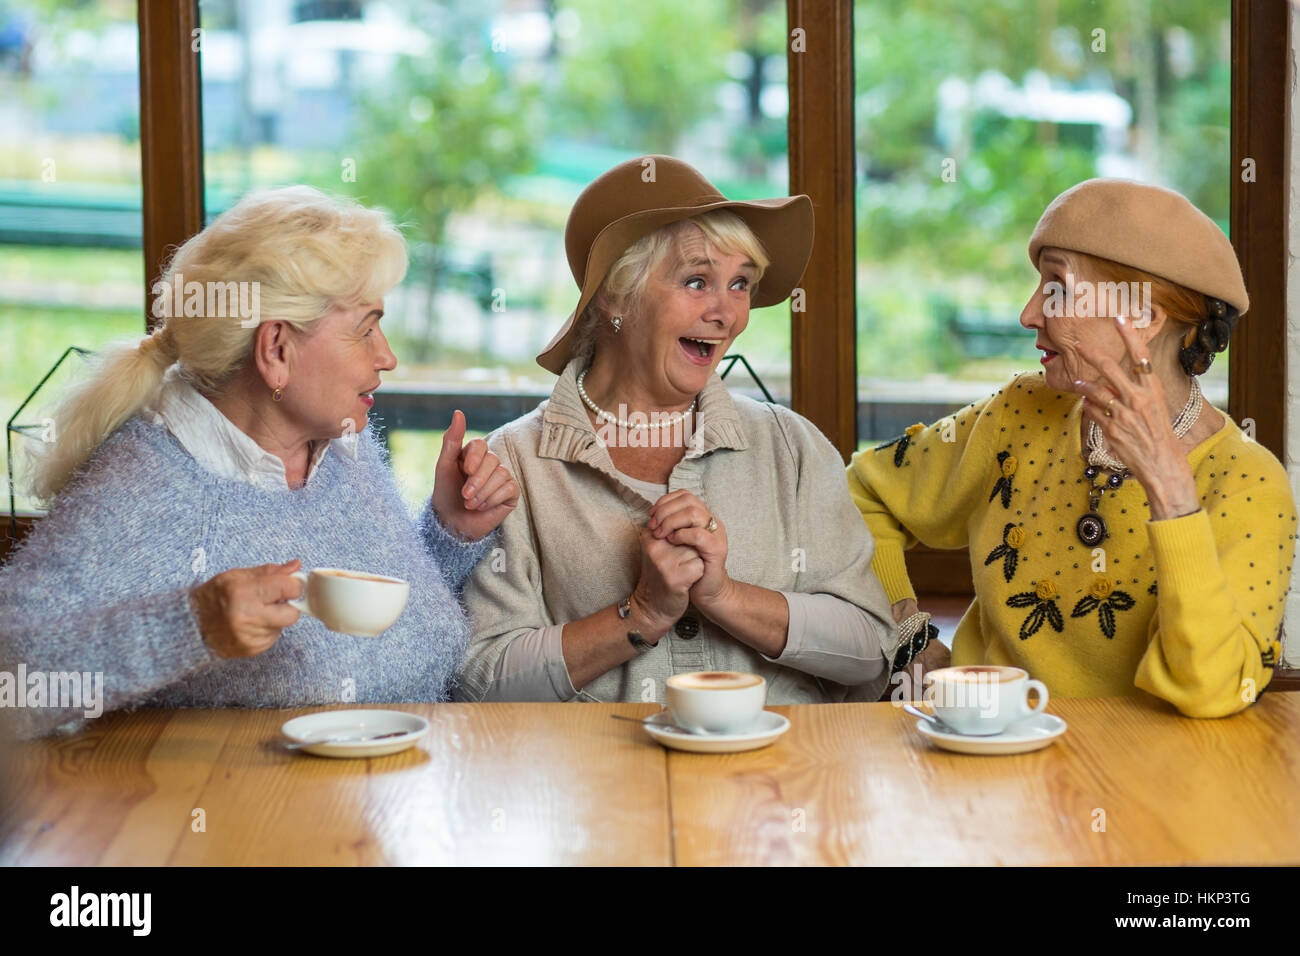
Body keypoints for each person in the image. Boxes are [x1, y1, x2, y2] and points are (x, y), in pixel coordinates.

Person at [0, 186, 518, 738]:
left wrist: (449, 535)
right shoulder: (148, 488)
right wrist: (189, 628)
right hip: (250, 814)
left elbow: (386, 636)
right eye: (366, 328)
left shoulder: (340, 447)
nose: (387, 355)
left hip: (394, 801)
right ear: (276, 350)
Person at [458, 155, 903, 704]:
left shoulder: (793, 447)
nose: (728, 314)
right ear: (616, 295)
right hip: (600, 783)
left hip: (778, 778)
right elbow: (483, 682)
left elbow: (869, 651)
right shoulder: (514, 464)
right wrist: (639, 614)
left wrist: (724, 595)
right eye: (698, 281)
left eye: (741, 284)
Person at [847, 178, 1296, 717]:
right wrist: (909, 640)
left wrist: (1171, 491)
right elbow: (860, 493)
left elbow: (1214, 690)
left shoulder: (1249, 482)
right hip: (987, 760)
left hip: (1151, 788)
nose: (1029, 313)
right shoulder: (1019, 410)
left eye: (1055, 288)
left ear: (1143, 318)